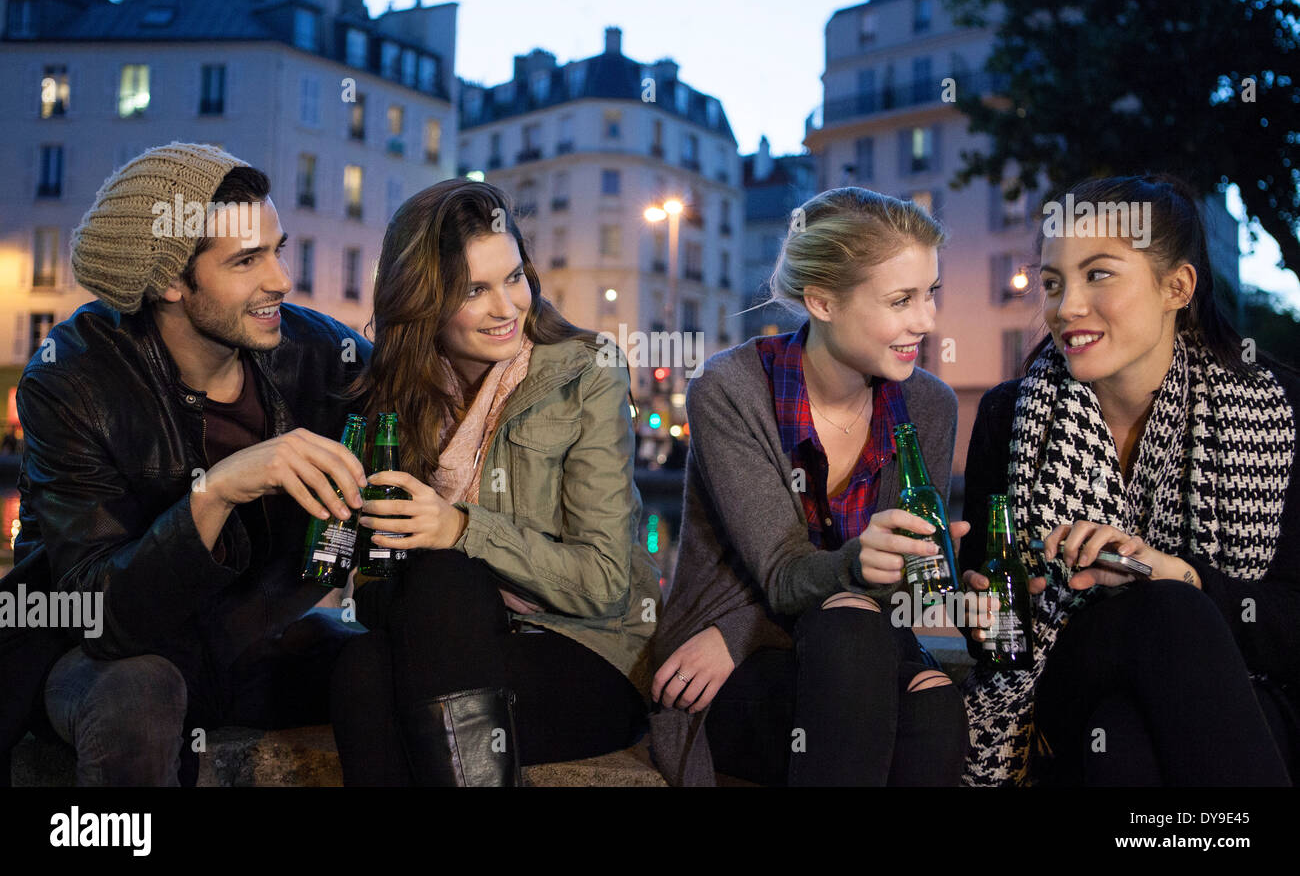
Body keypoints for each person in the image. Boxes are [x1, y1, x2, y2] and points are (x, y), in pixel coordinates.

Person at [0, 142, 372, 785]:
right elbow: (101, 614)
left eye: (277, 249)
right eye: (246, 260)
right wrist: (217, 491)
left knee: (388, 663)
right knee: (139, 692)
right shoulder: (73, 380)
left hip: (251, 649)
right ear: (171, 280)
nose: (280, 279)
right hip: (101, 656)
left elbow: (432, 386)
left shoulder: (319, 351)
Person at [961, 174, 1299, 786]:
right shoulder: (1008, 416)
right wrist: (984, 605)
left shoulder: (1280, 412)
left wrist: (1181, 575)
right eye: (1053, 282)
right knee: (1166, 614)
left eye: (1099, 274)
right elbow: (991, 631)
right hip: (1060, 683)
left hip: (1240, 694)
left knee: (1121, 746)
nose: (1065, 308)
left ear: (1178, 286)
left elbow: (1290, 624)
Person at [328, 180, 660, 786]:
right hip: (456, 644)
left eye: (514, 277)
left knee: (442, 574)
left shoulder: (585, 371)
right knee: (362, 666)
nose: (507, 307)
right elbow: (375, 595)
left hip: (589, 649)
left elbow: (607, 584)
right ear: (422, 299)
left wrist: (460, 531)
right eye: (474, 290)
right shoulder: (396, 396)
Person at [650, 187, 974, 786]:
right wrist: (738, 633)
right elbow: (783, 573)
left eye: (930, 293)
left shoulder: (929, 404)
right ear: (822, 301)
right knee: (860, 642)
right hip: (740, 655)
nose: (927, 320)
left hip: (866, 642)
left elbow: (905, 596)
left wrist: (937, 572)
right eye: (902, 299)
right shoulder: (731, 390)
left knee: (933, 702)